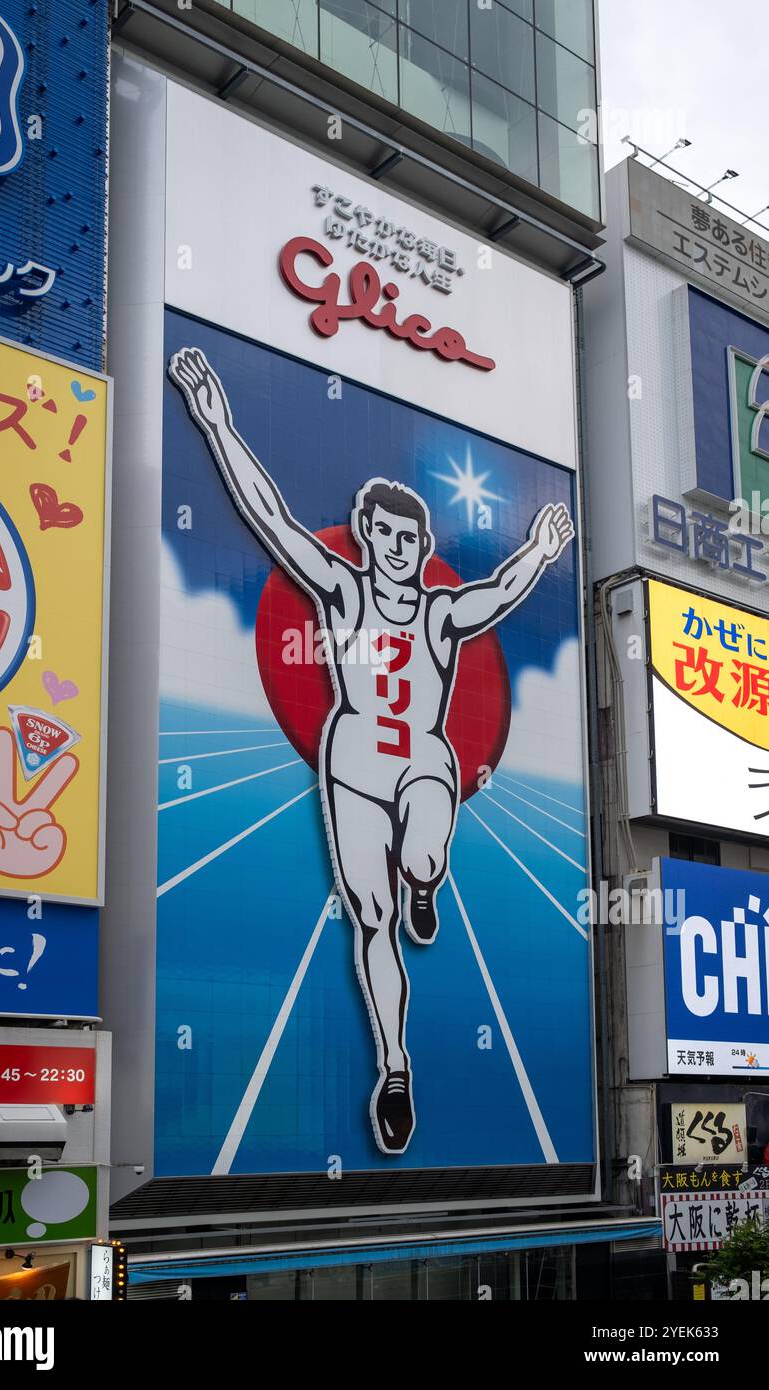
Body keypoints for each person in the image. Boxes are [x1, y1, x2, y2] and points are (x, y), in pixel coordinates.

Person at [168, 347, 574, 1155]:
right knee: (372, 919)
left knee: (421, 860)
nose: (395, 546)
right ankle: (395, 1066)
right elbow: (271, 519)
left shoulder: (440, 612)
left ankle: (429, 877)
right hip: (352, 759)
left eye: (408, 537)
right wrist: (216, 423)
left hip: (423, 757)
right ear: (366, 535)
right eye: (383, 533)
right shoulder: (342, 589)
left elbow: (498, 595)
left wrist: (538, 552)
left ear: (423, 546)